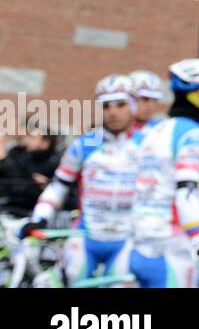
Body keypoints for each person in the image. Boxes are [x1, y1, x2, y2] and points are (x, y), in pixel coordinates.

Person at [21, 75, 141, 283]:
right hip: (86, 237)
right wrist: (40, 217)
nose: (113, 112)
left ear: (132, 106)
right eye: (106, 106)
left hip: (127, 239)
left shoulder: (149, 144)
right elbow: (59, 186)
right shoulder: (83, 145)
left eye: (121, 104)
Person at [126, 56, 199, 288]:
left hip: (140, 245)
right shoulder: (192, 134)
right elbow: (187, 196)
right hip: (174, 248)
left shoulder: (157, 130)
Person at [0, 119, 61, 213]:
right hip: (15, 208)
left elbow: (21, 185)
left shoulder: (54, 163)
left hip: (38, 210)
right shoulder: (23, 156)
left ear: (45, 143)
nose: (27, 140)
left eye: (32, 138)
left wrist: (49, 184)